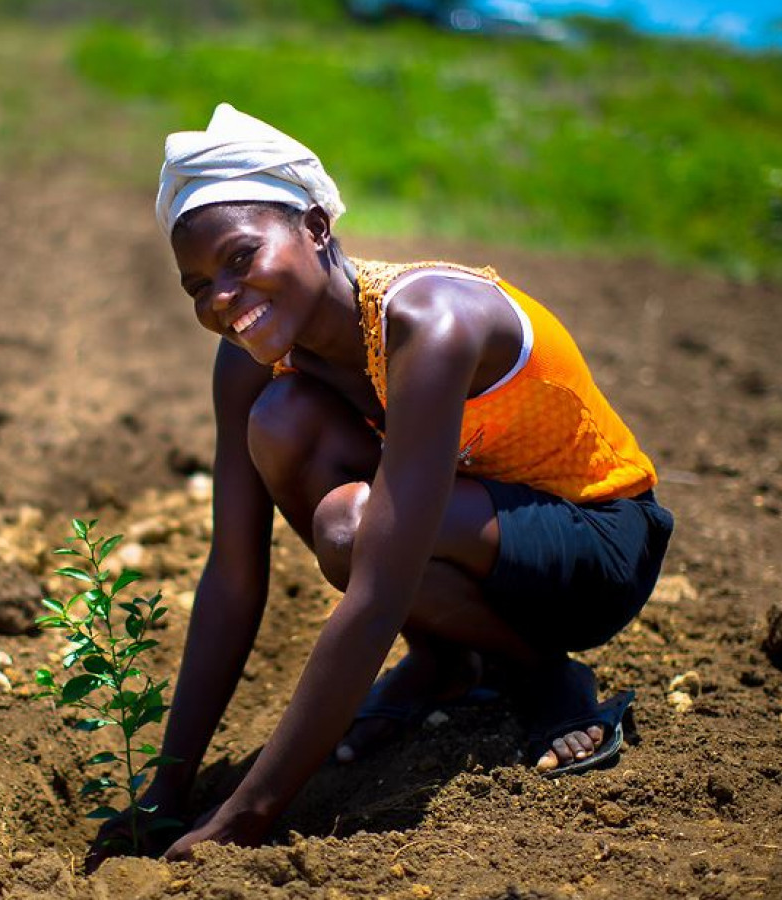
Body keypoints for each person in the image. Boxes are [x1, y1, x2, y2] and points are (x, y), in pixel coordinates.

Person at [110, 103, 673, 862]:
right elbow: (234, 577)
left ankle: (544, 678)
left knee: (354, 531)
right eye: (198, 285)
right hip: (472, 537)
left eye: (240, 258)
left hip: (596, 544)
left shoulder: (431, 322)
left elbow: (377, 582)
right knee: (284, 421)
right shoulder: (251, 364)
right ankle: (445, 666)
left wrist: (248, 817)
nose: (221, 298)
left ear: (315, 227)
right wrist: (167, 795)